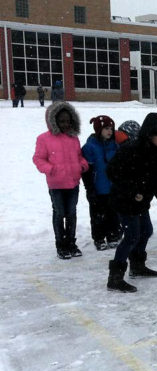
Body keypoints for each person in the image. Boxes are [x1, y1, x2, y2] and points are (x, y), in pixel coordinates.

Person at [105, 112, 157, 293]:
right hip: (124, 200)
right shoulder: (131, 150)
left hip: (141, 202)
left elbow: (154, 180)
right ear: (150, 134)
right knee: (132, 236)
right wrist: (133, 191)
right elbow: (112, 172)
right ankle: (115, 277)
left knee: (146, 231)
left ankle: (137, 265)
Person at [32, 101, 90, 259]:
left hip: (73, 183)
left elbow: (79, 157)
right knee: (59, 213)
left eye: (68, 121)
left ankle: (71, 242)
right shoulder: (44, 139)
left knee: (71, 213)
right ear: (54, 121)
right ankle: (61, 244)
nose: (65, 124)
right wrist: (51, 169)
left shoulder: (73, 138)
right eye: (62, 121)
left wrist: (82, 166)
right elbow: (38, 159)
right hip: (56, 184)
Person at [81, 115, 122, 251]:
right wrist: (90, 189)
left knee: (113, 213)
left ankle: (113, 235)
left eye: (111, 128)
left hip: (112, 188)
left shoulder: (114, 145)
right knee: (98, 215)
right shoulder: (90, 147)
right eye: (106, 128)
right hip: (98, 188)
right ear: (99, 130)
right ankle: (99, 238)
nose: (110, 131)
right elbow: (87, 170)